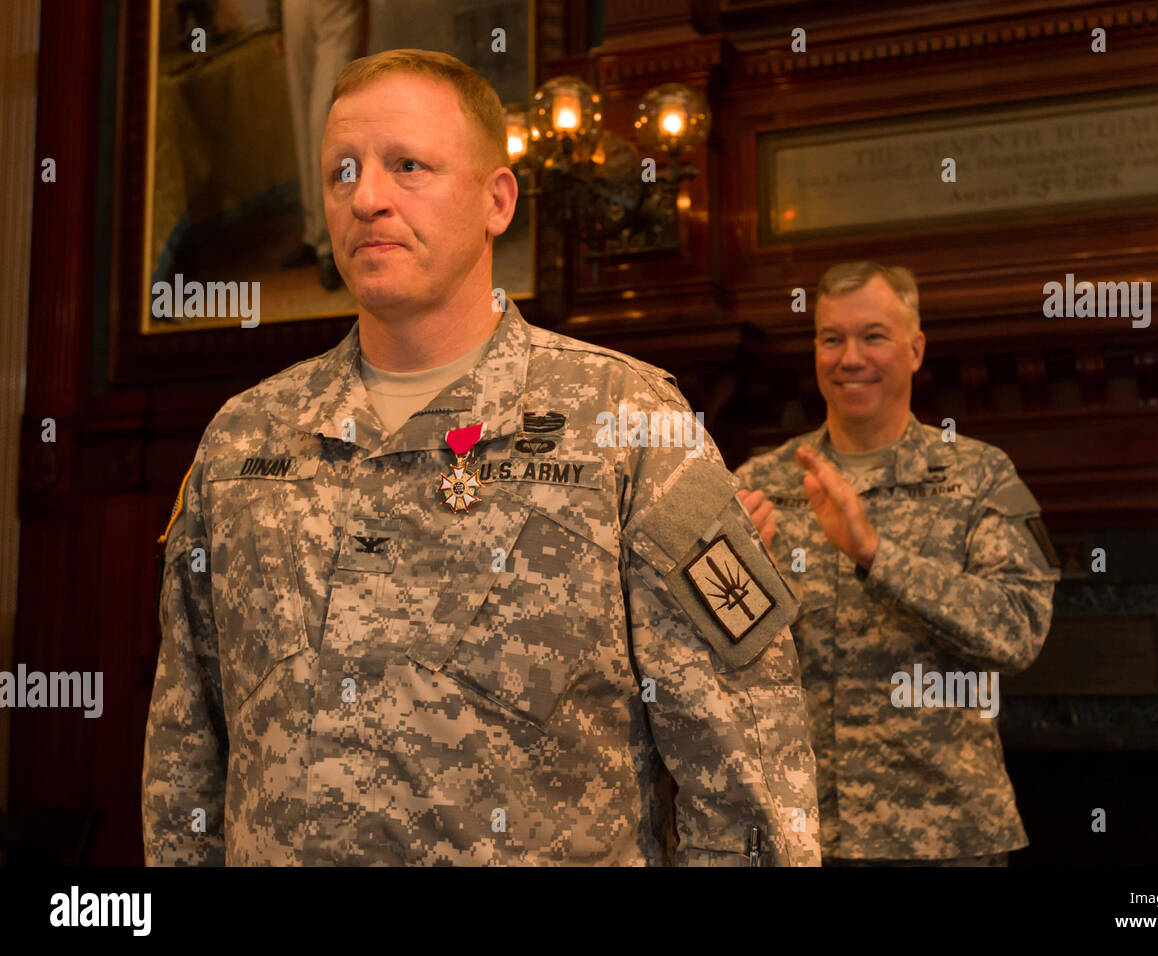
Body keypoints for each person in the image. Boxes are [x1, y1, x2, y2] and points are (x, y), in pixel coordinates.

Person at [142, 49, 819, 866]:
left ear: (498, 200)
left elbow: (744, 771)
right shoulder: (245, 440)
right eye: (343, 173)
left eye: (408, 166)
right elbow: (185, 756)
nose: (367, 198)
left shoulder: (631, 423)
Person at [735, 262, 1060, 866]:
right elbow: (706, 655)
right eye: (831, 338)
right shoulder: (756, 484)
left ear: (915, 349)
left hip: (942, 835)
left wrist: (876, 556)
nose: (849, 357)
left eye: (873, 336)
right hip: (793, 833)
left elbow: (1017, 632)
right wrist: (732, 582)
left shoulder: (980, 475)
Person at [268, 0, 366, 290]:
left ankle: (333, 244)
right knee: (301, 112)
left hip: (337, 8)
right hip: (294, 8)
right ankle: (314, 235)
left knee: (326, 116)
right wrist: (276, 19)